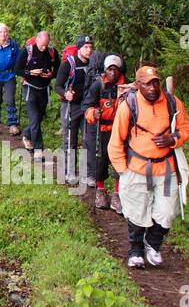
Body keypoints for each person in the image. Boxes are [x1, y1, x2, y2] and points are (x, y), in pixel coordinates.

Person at [108, 65, 189, 268]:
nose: (153, 88)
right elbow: (116, 142)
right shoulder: (129, 106)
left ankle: (153, 244)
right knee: (136, 211)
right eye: (147, 84)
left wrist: (172, 139)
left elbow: (186, 128)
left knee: (167, 212)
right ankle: (135, 250)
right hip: (136, 168)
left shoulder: (172, 103)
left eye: (155, 82)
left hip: (166, 168)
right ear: (138, 86)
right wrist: (123, 171)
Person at [83, 55, 126, 211]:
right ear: (105, 70)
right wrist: (93, 113)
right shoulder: (98, 86)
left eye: (115, 69)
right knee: (99, 161)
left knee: (119, 162)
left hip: (119, 129)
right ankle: (100, 191)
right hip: (100, 129)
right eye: (109, 69)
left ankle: (117, 194)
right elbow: (86, 106)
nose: (112, 73)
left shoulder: (126, 86)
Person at [56, 35, 94, 186]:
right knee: (70, 139)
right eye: (85, 47)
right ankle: (69, 172)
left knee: (88, 140)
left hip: (88, 106)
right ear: (79, 48)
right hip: (71, 107)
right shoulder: (68, 64)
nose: (89, 50)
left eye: (91, 47)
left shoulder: (94, 64)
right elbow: (57, 85)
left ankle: (87, 174)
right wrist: (66, 94)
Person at [17, 30, 58, 156]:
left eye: (46, 44)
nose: (44, 47)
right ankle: (38, 150)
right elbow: (17, 70)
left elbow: (58, 69)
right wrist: (30, 73)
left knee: (38, 118)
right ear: (37, 40)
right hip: (29, 88)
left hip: (44, 89)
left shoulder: (52, 52)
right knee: (34, 118)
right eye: (42, 45)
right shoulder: (28, 51)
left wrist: (51, 75)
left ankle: (27, 134)